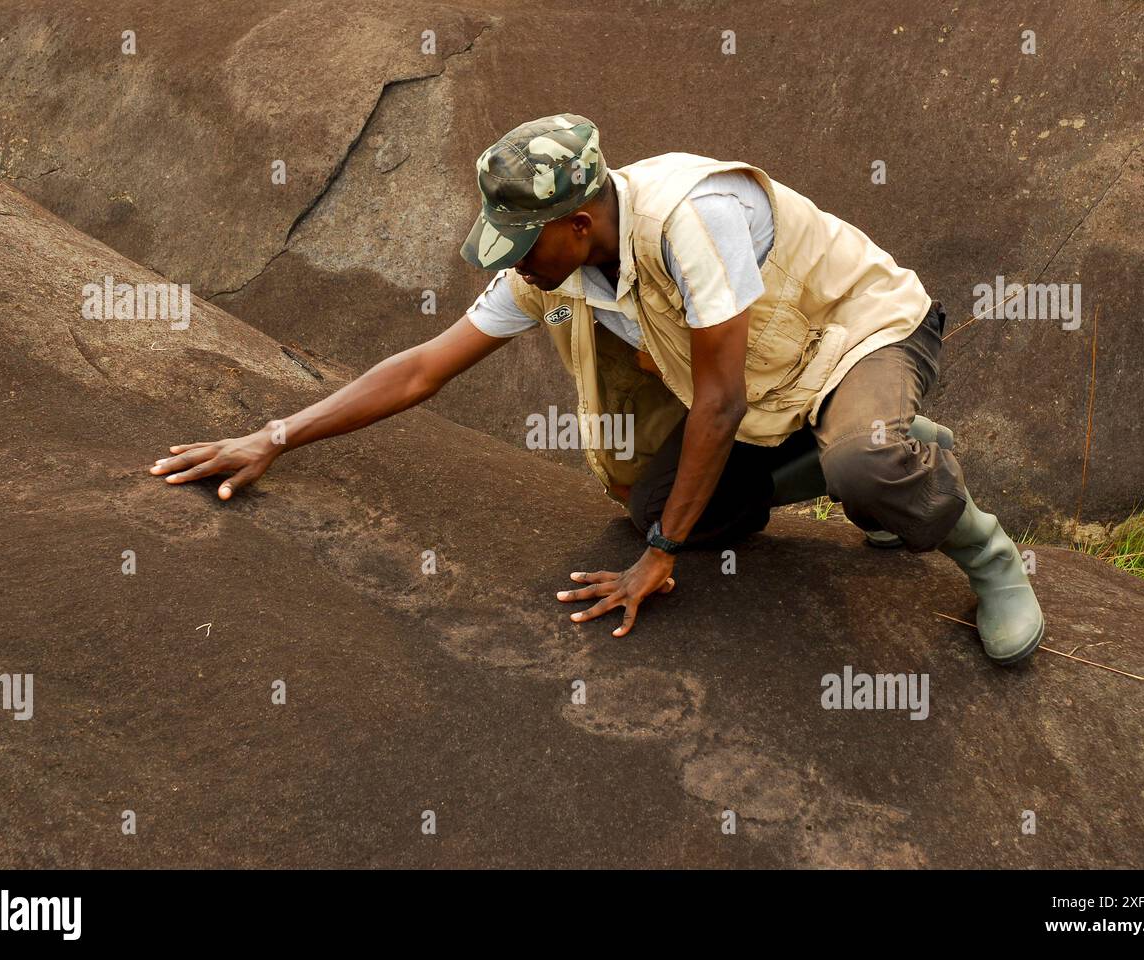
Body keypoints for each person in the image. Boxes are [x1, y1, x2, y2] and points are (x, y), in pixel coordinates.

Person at [150, 113, 1043, 664]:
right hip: (770, 389)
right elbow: (423, 366)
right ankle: (858, 461)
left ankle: (983, 550)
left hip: (858, 332)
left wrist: (659, 557)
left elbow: (721, 404)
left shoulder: (693, 219)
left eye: (524, 239)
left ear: (578, 222)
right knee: (650, 501)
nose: (514, 261)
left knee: (828, 474)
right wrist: (273, 435)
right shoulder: (556, 267)